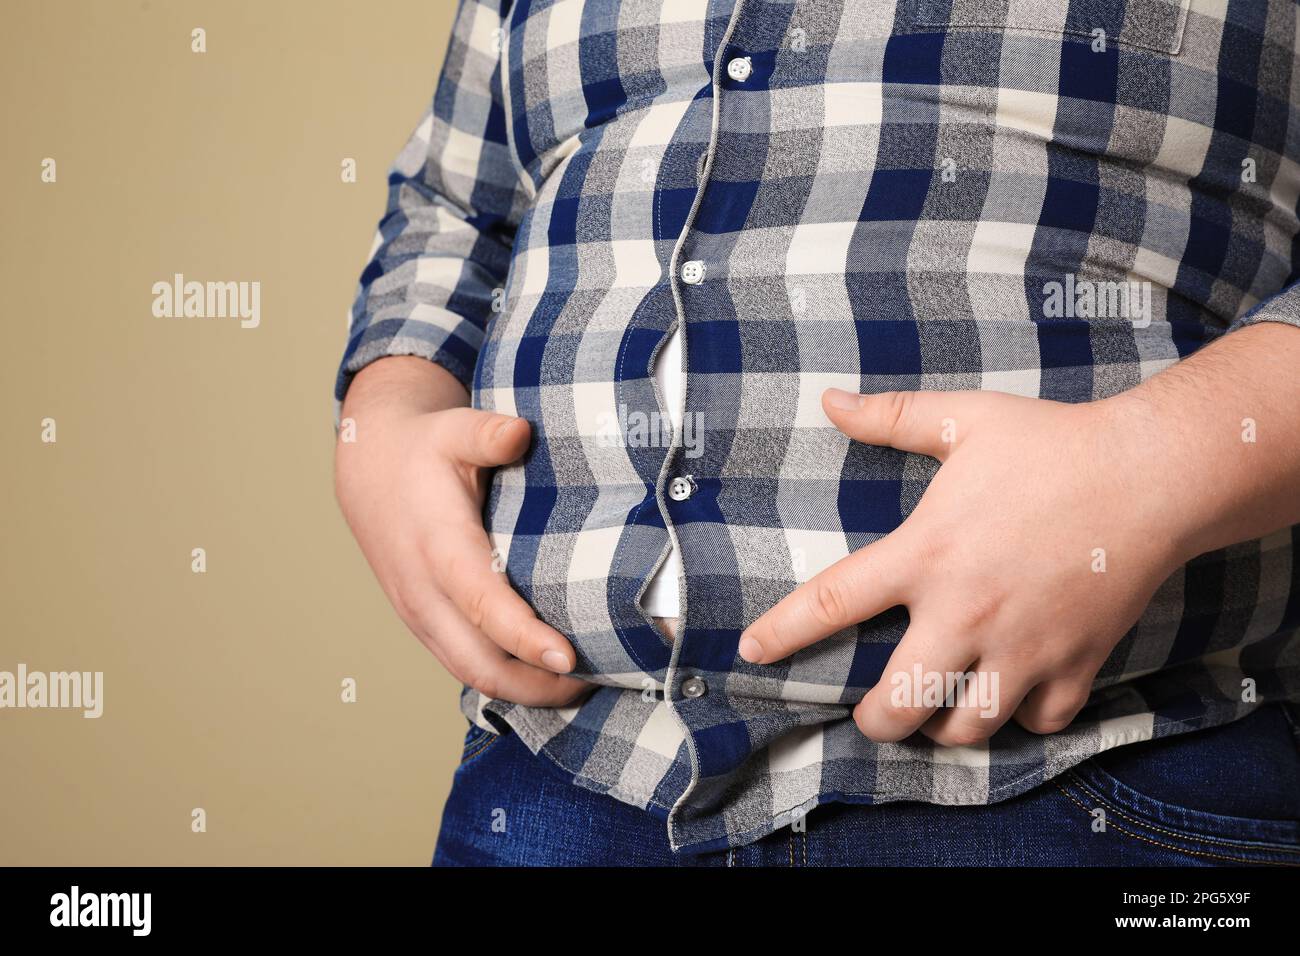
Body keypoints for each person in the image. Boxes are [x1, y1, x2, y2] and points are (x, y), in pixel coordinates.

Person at [334, 0, 1300, 866]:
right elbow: (455, 206)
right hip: (556, 778)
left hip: (1110, 785)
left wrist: (1144, 470)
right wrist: (386, 412)